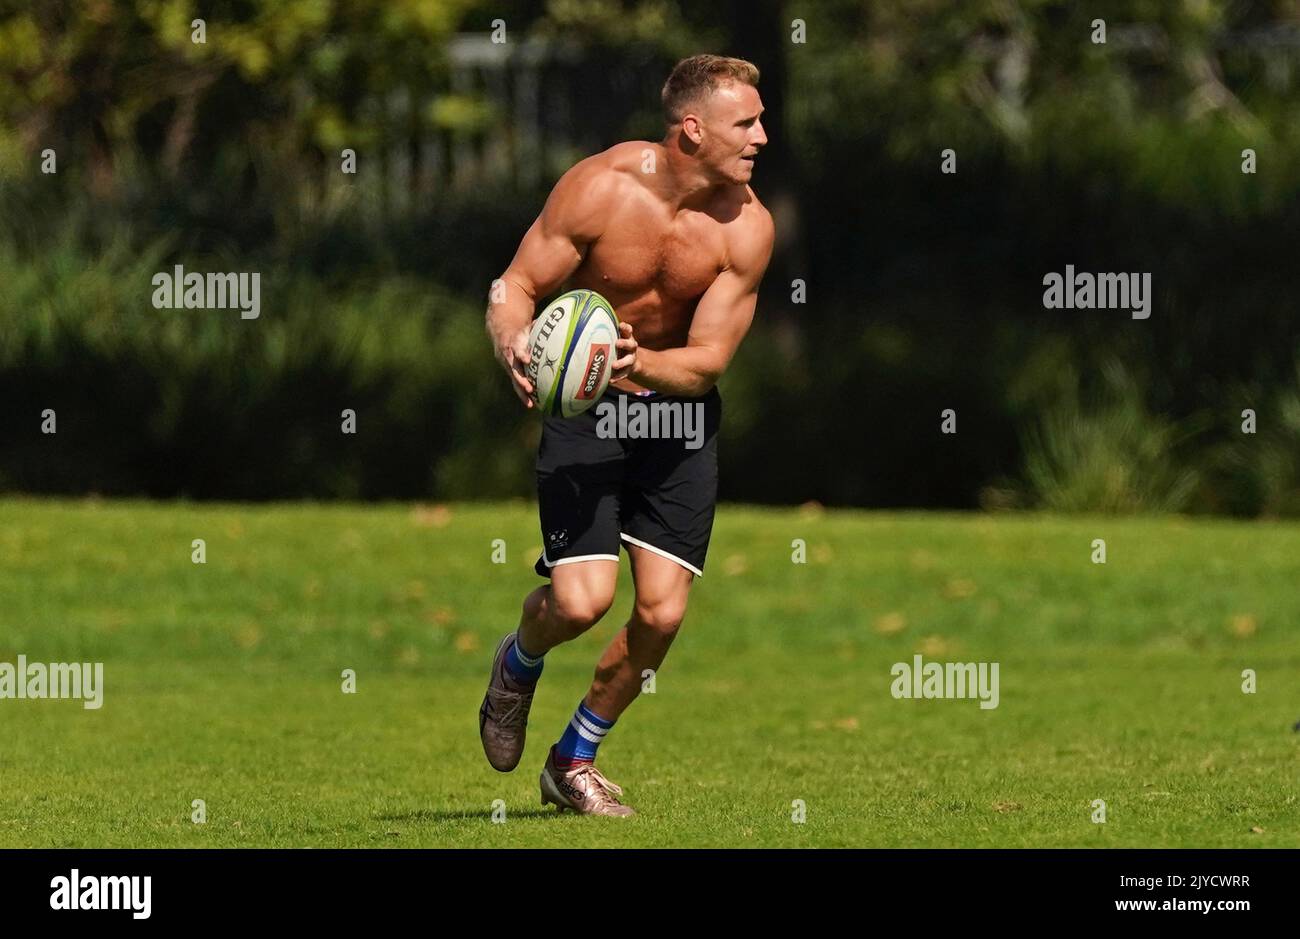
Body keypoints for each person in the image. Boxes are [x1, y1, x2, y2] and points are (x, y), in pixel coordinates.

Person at [481, 54, 774, 816]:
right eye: (746, 122)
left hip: (675, 419)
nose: (762, 136)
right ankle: (518, 660)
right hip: (586, 411)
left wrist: (645, 360)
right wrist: (513, 343)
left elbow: (707, 363)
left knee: (662, 614)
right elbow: (514, 287)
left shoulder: (747, 230)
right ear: (693, 128)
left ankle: (572, 758)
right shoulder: (600, 188)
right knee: (580, 603)